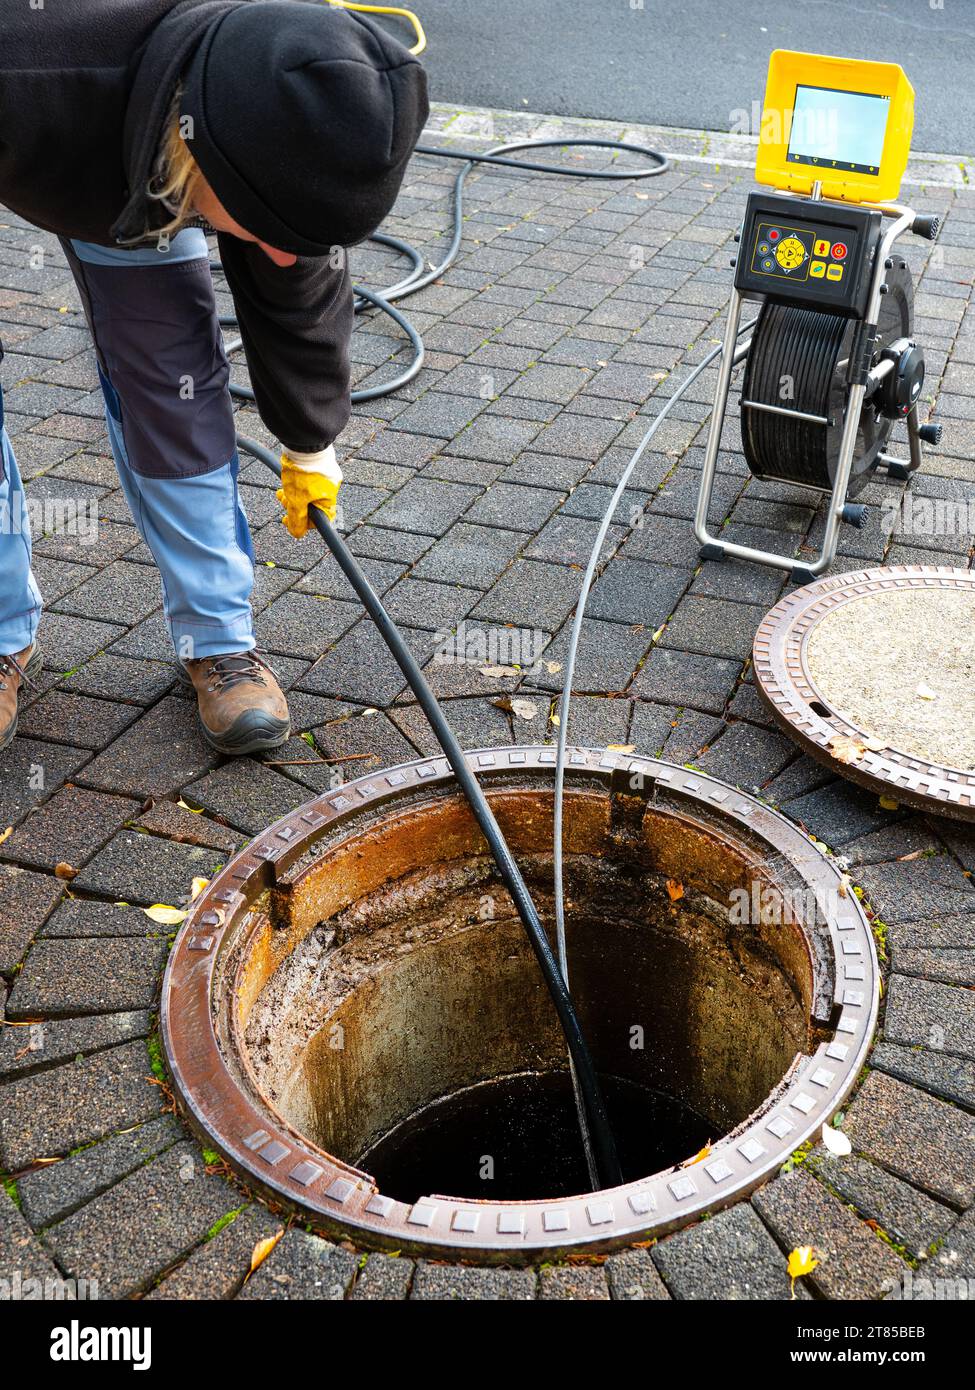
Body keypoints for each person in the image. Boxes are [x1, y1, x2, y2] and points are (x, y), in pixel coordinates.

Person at [0, 0, 428, 754]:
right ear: (208, 152)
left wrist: (309, 442)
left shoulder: (276, 89)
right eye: (267, 223)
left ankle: (219, 639)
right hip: (47, 111)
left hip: (142, 144)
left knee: (175, 383)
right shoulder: (26, 67)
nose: (280, 249)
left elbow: (297, 274)